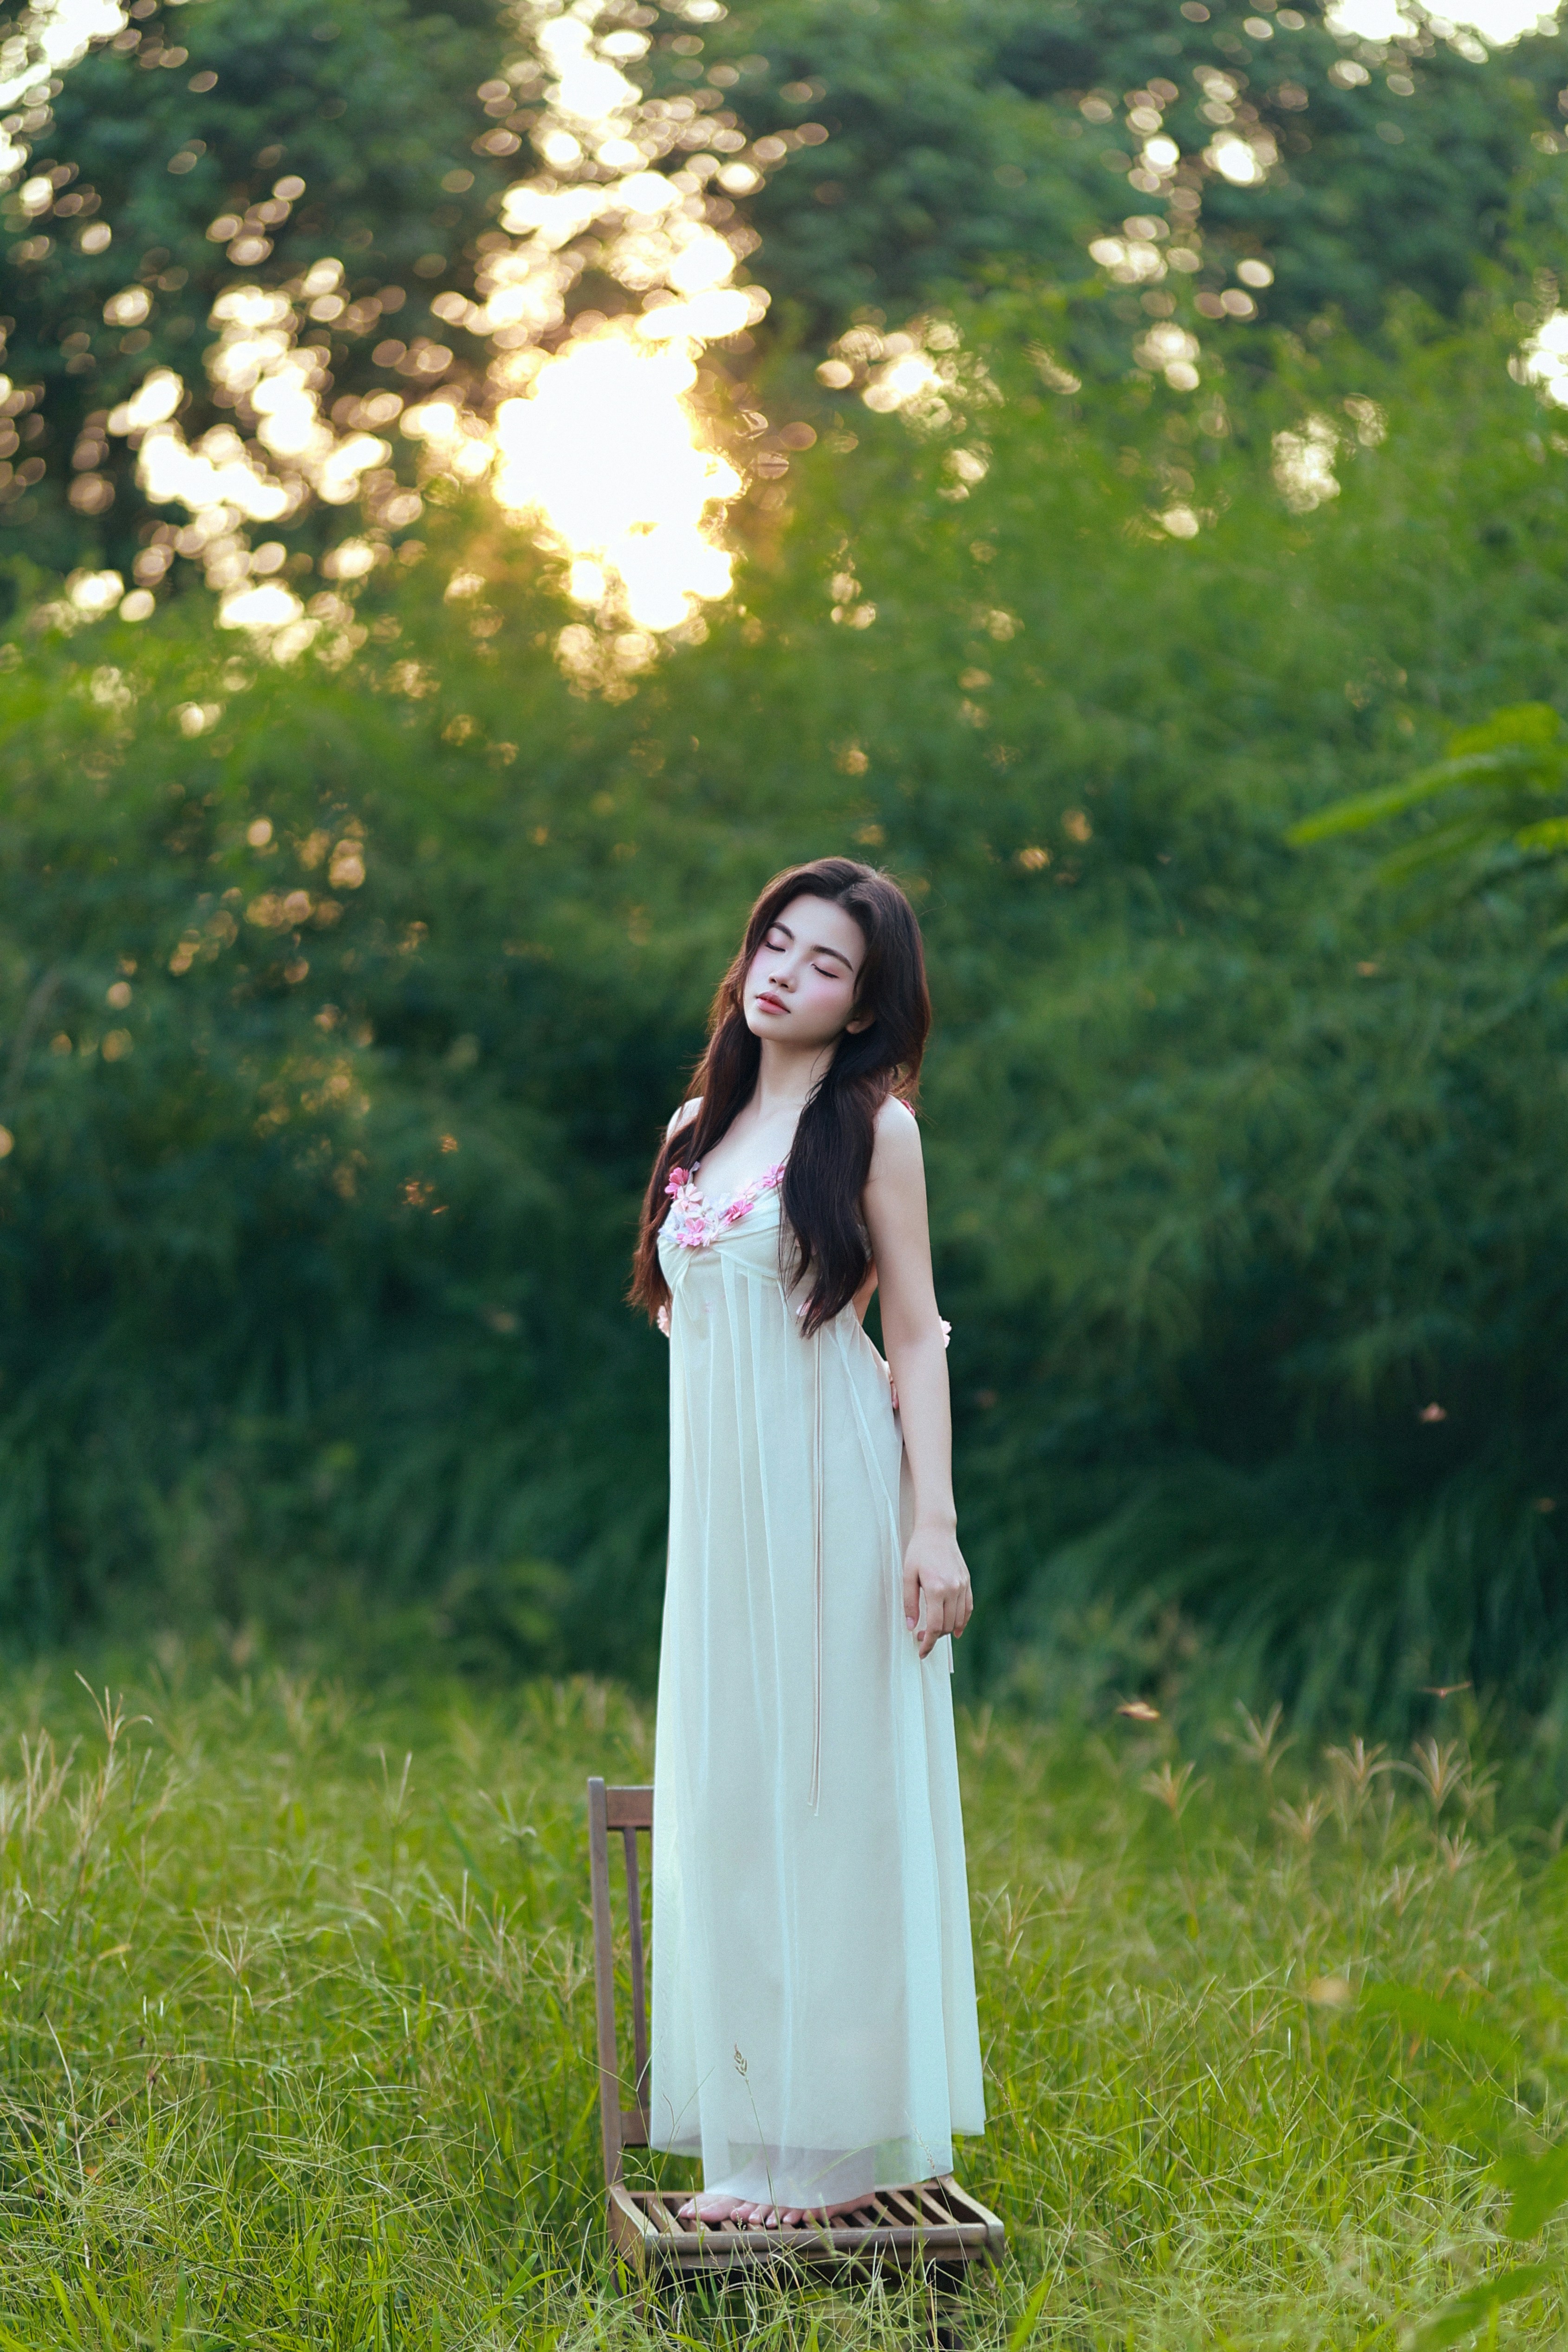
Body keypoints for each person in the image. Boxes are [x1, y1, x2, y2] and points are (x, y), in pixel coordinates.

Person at [629, 857, 985, 2228]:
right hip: (723, 1519)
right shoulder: (690, 1127)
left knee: (828, 1804)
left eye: (824, 962)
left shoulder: (869, 1131)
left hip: (836, 1497)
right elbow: (690, 1324)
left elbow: (913, 1338)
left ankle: (831, 2161)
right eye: (775, 942)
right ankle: (752, 2136)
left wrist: (931, 1526)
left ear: (861, 1005)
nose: (785, 970)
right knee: (732, 1797)